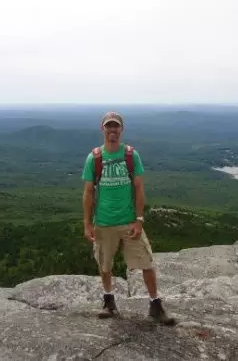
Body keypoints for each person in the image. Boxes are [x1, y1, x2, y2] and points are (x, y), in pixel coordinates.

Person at [81, 111, 175, 325]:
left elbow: (139, 187)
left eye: (116, 126)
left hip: (129, 220)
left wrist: (139, 219)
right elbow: (88, 192)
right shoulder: (94, 157)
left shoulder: (131, 155)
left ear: (121, 129)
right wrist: (87, 223)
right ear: (102, 129)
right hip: (103, 222)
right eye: (108, 126)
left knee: (146, 263)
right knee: (105, 265)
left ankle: (155, 304)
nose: (112, 130)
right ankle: (108, 301)